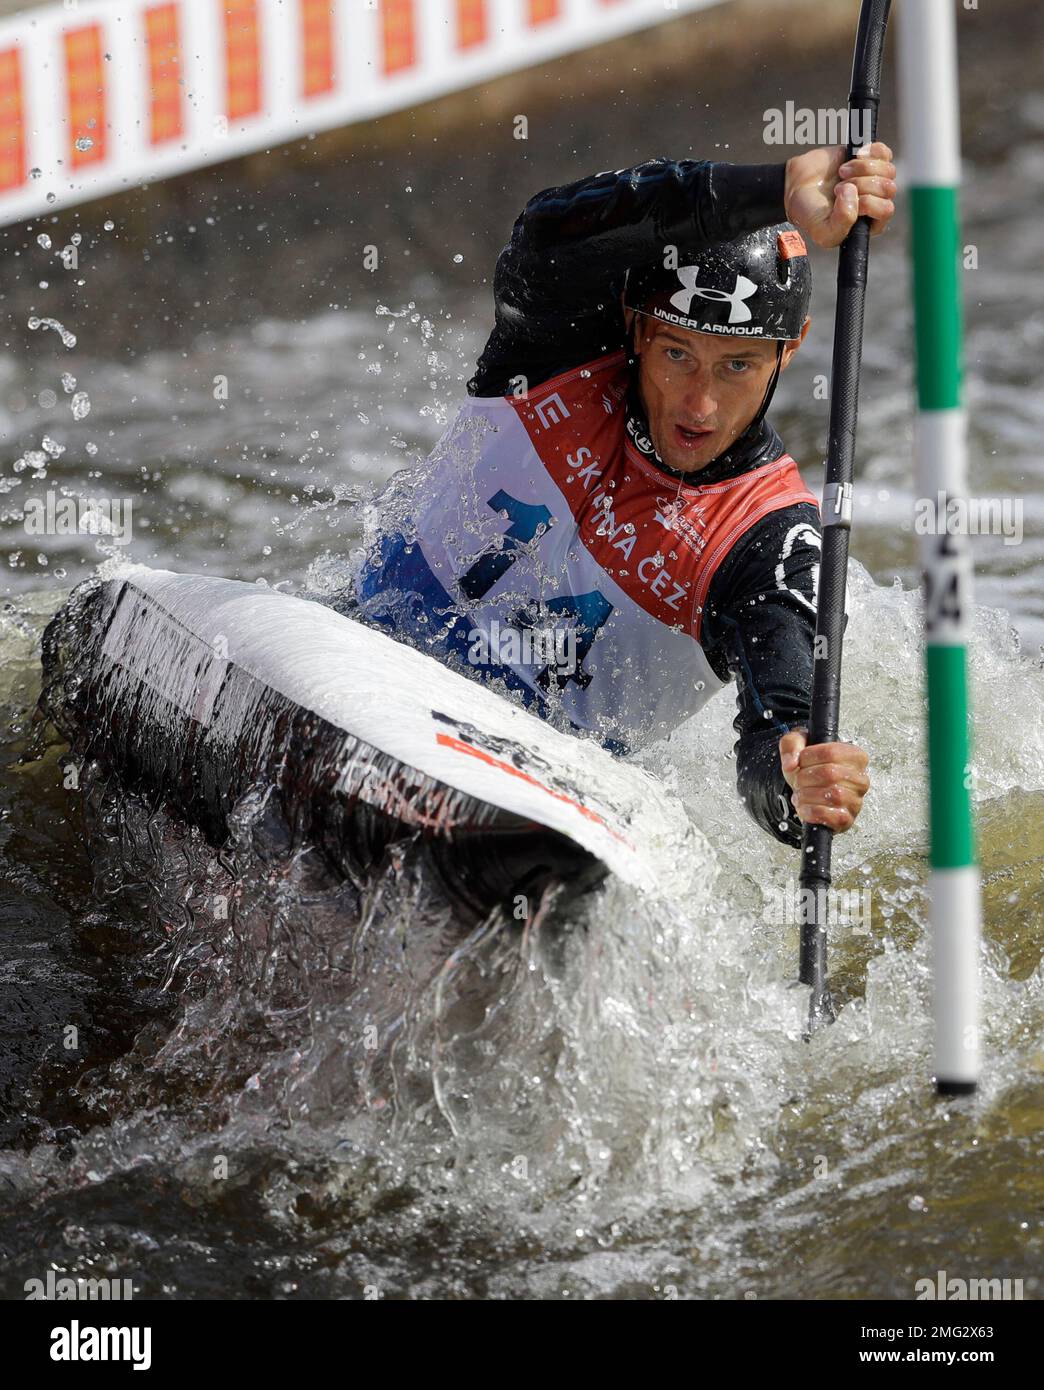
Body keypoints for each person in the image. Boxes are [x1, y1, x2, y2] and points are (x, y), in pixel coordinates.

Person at [351, 144, 895, 846]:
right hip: (366, 649)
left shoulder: (768, 545)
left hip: (526, 794)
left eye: (736, 366)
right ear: (637, 326)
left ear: (790, 350)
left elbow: (772, 742)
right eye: (677, 354)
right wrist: (775, 187)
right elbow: (549, 230)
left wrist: (797, 784)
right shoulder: (553, 351)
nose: (699, 403)